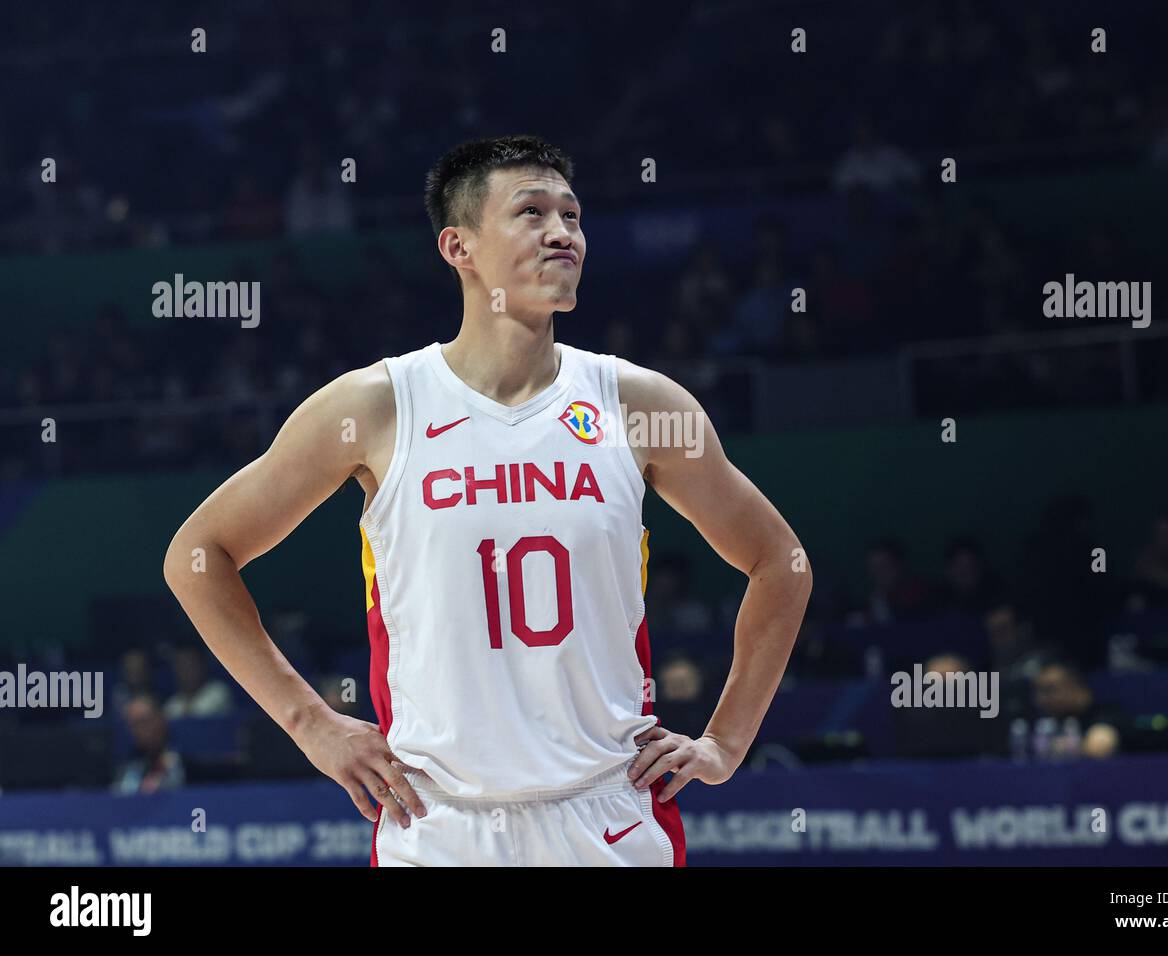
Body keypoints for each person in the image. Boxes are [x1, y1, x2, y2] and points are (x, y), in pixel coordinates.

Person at [164, 135, 812, 867]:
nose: (562, 232)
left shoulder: (637, 403)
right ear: (458, 247)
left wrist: (724, 742)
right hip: (438, 823)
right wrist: (309, 722)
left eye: (572, 214)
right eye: (531, 212)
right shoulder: (378, 407)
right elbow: (197, 557)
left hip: (608, 815)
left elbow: (780, 563)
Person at [114, 695, 186, 795]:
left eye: (144, 722)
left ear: (161, 719)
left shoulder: (184, 761)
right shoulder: (128, 766)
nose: (140, 730)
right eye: (134, 725)